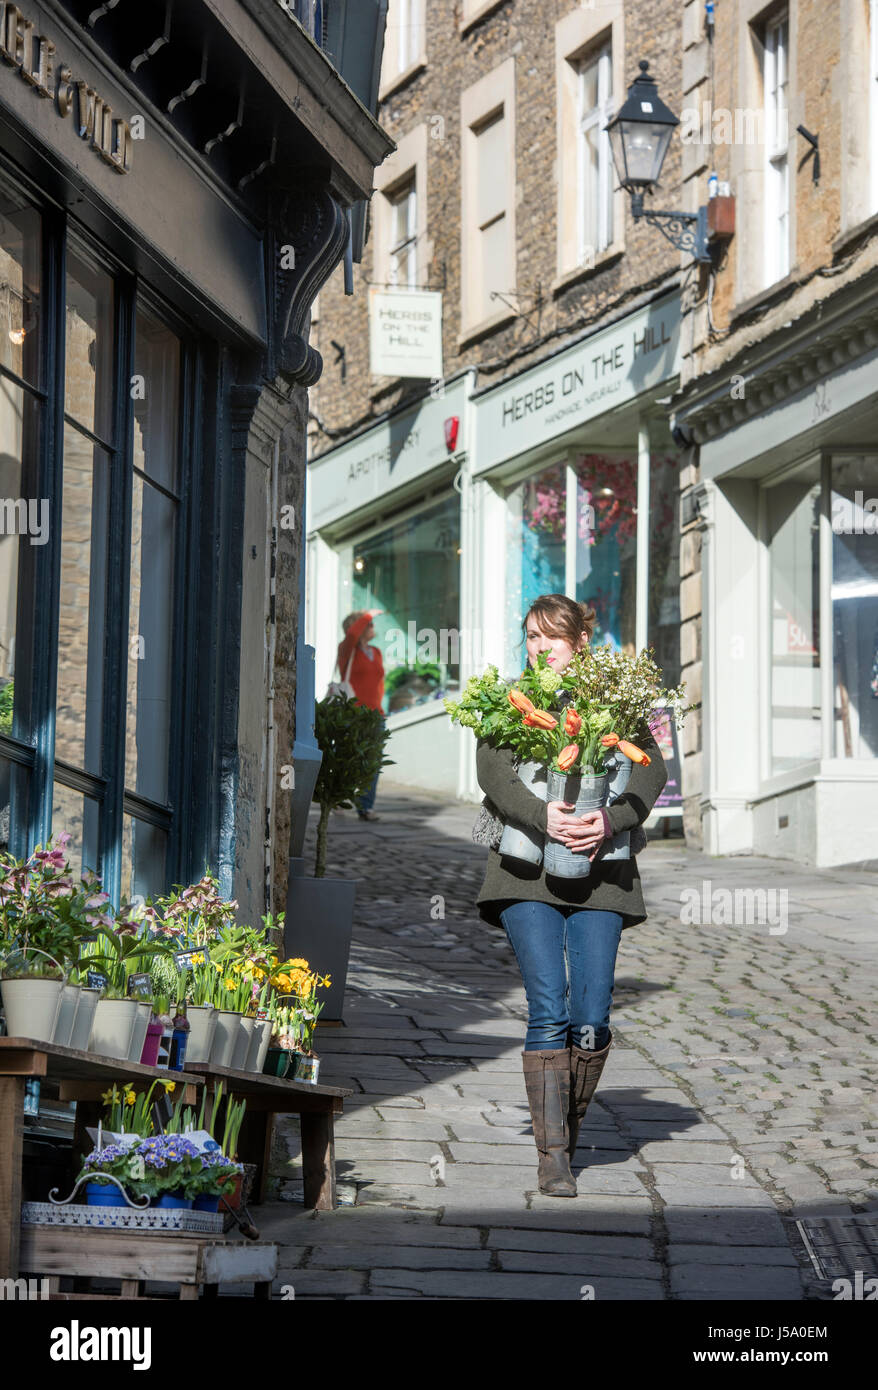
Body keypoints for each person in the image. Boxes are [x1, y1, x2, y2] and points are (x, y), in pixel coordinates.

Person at [474, 593, 668, 1197]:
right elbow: (492, 771)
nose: (538, 648)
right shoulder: (510, 699)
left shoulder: (616, 702)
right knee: (548, 1009)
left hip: (603, 875)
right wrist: (542, 815)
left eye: (549, 638)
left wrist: (609, 821)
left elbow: (652, 771)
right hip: (524, 873)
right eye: (530, 637)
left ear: (579, 641)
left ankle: (568, 1125)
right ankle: (552, 1156)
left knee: (590, 1019)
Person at [336, 609, 385, 821]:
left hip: (375, 714)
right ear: (358, 628)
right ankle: (338, 798)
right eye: (369, 624)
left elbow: (378, 684)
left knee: (373, 761)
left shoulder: (376, 651)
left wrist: (381, 708)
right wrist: (367, 614)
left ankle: (365, 807)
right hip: (354, 712)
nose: (372, 627)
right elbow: (352, 637)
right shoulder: (346, 650)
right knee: (349, 758)